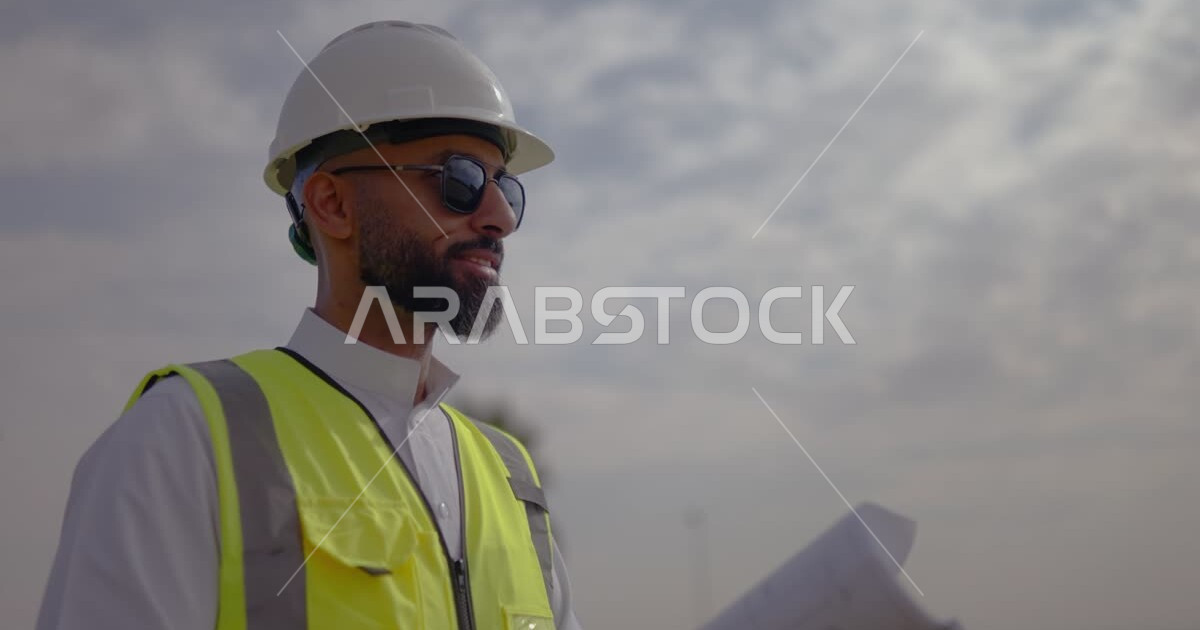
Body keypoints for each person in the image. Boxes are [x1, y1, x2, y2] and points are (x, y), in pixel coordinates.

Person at [37, 21, 581, 630]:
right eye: (461, 180)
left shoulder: (510, 478)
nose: (500, 216)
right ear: (332, 205)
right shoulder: (181, 440)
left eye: (506, 187)